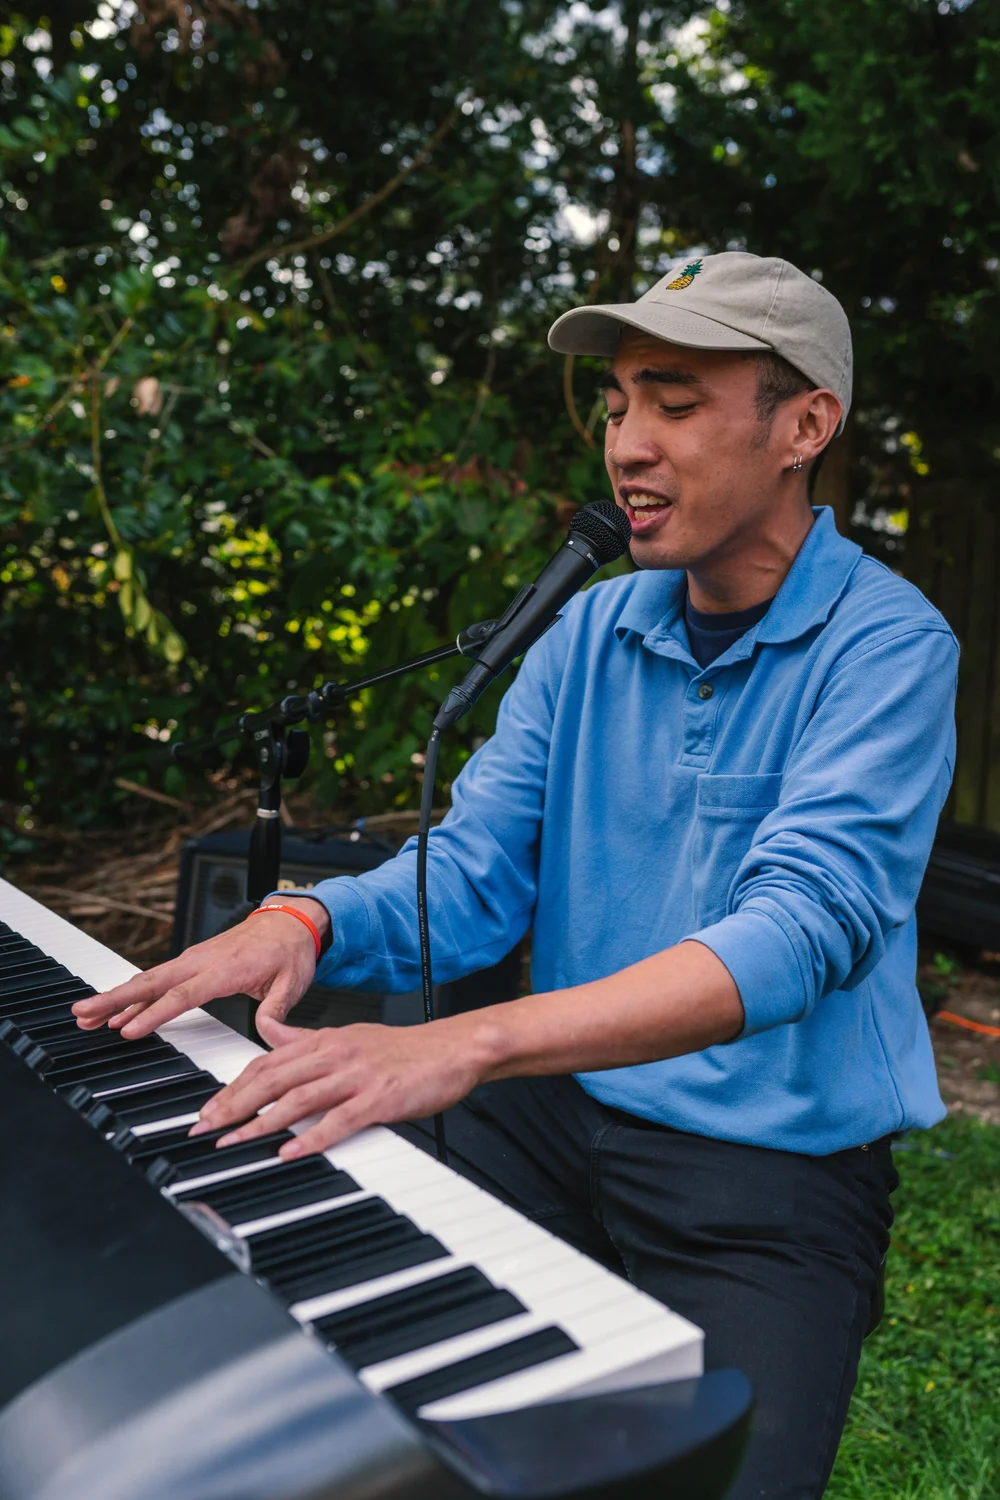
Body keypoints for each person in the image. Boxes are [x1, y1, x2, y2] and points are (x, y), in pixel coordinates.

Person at [74, 252, 958, 1499]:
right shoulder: (588, 630)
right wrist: (306, 919)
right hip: (546, 1118)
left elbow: (801, 929)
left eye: (676, 400)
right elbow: (476, 869)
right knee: (388, 1428)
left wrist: (472, 1042)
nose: (627, 446)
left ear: (804, 425)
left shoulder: (889, 646)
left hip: (764, 1176)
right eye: (614, 408)